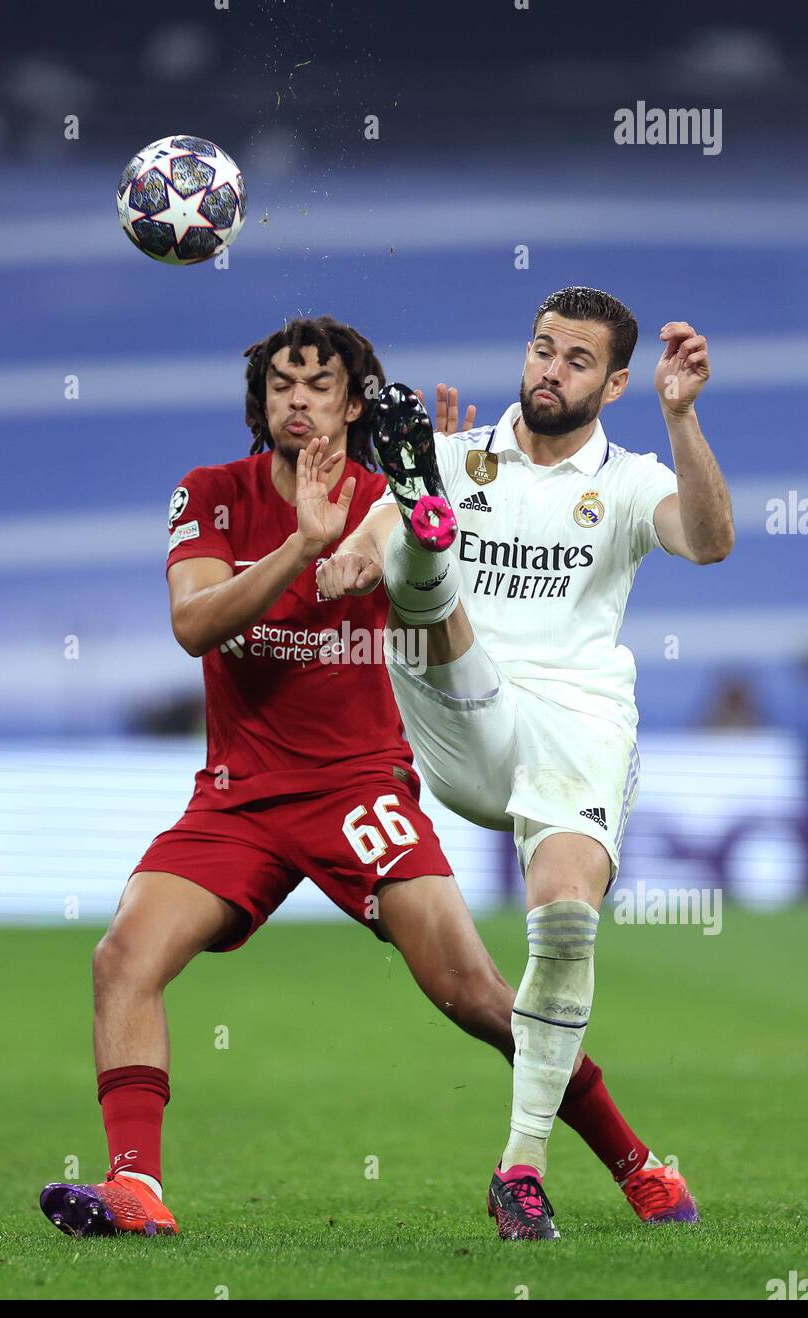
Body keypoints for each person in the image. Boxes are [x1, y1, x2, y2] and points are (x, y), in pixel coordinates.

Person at [39, 313, 696, 1240]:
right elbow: (195, 626)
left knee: (477, 995)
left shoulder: (399, 493)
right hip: (239, 796)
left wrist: (442, 517)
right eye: (281, 386)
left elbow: (442, 622)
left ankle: (636, 1165)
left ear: (354, 404)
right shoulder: (212, 495)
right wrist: (301, 548)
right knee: (122, 958)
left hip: (362, 790)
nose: (297, 403)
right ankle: (135, 1188)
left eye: (319, 387)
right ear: (260, 401)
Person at [319, 288, 730, 1238]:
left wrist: (683, 417)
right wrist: (353, 554)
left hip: (580, 725)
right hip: (464, 711)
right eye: (542, 349)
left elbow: (709, 543)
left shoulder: (628, 480)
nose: (550, 369)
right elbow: (352, 559)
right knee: (423, 569)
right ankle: (429, 534)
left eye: (577, 359)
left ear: (617, 381)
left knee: (567, 928)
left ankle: (521, 1169)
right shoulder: (461, 455)